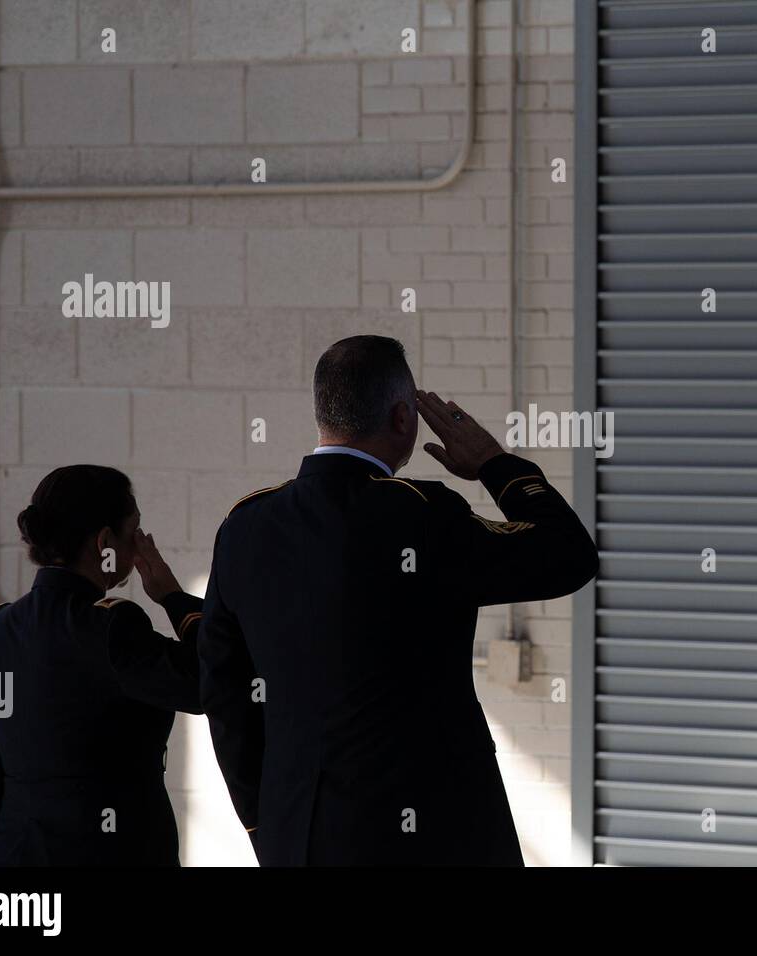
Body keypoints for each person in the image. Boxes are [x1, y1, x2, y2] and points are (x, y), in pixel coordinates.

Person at [200, 335, 598, 865]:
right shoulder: (421, 515)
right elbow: (567, 554)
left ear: (323, 414)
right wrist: (494, 464)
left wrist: (265, 821)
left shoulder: (244, 526)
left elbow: (224, 694)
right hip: (431, 834)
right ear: (403, 418)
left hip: (300, 836)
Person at [0, 464, 204, 866]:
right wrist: (174, 598)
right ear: (105, 542)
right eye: (134, 531)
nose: (140, 544)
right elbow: (206, 682)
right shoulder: (111, 626)